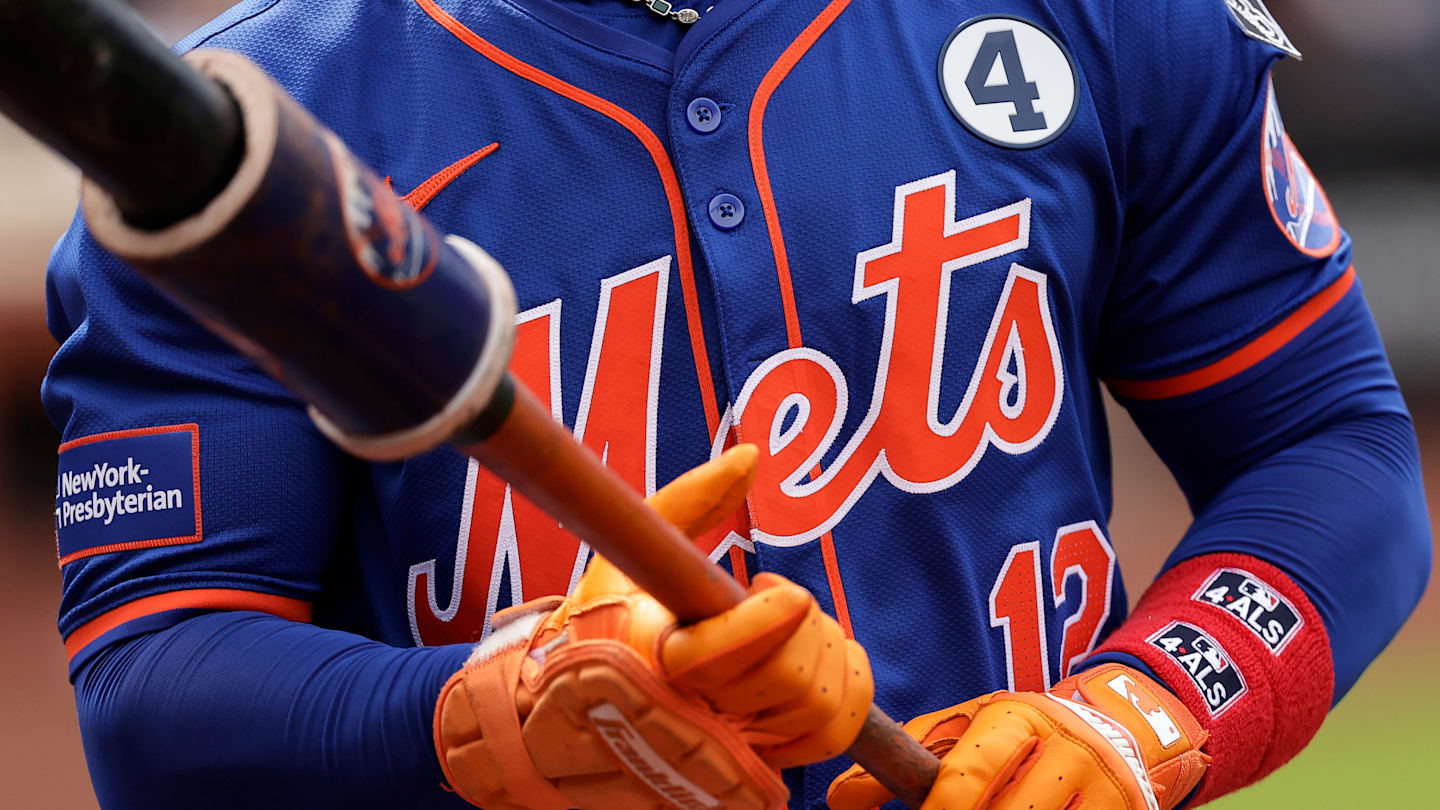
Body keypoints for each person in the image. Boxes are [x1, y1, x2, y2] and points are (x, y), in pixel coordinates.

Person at [44, 0, 1430, 807]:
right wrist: (484, 712)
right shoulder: (248, 143)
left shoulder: (1098, 15)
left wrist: (1144, 712)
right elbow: (157, 681)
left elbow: (1327, 448)